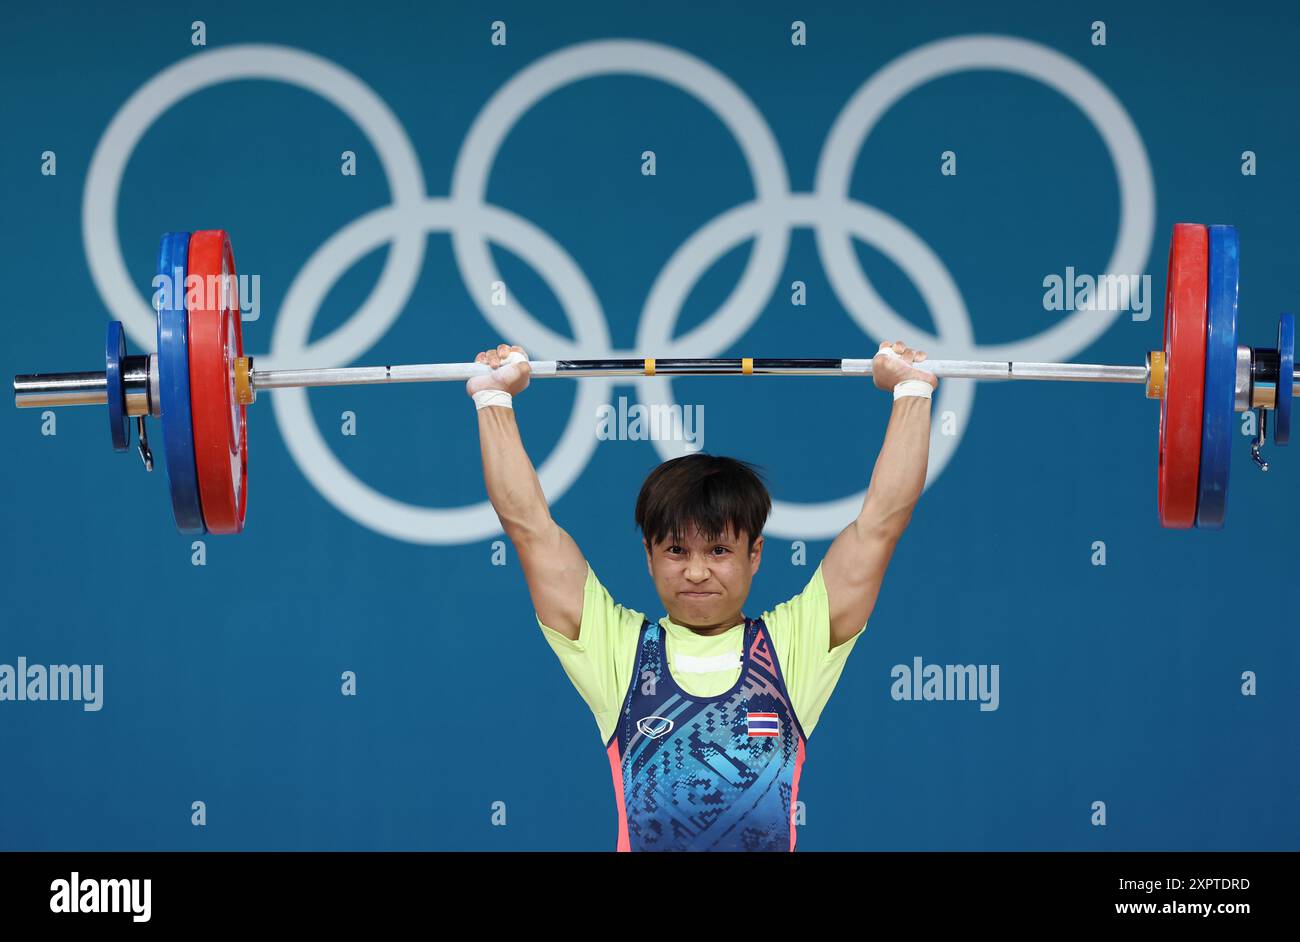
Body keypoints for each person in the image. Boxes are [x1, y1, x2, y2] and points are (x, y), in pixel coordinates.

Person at [468, 341, 937, 851]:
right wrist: (494, 399)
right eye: (675, 550)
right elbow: (530, 529)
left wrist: (911, 390)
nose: (695, 572)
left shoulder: (791, 648)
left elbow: (881, 525)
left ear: (754, 554)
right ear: (648, 556)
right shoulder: (619, 651)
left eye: (717, 550)